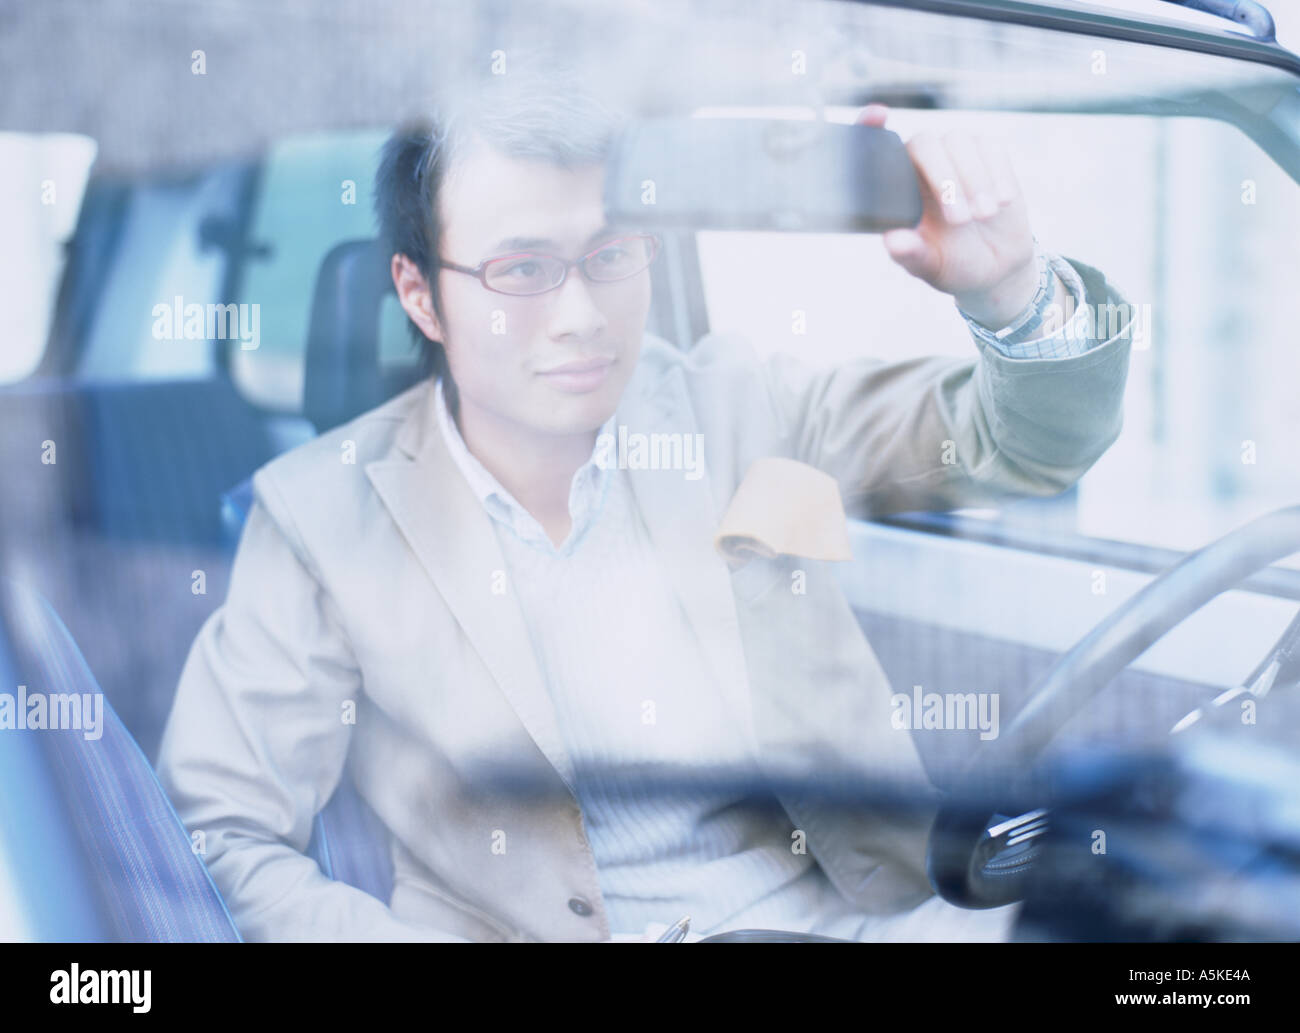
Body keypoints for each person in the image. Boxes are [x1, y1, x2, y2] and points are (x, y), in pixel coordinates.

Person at [156, 70, 1134, 942]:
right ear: (419, 295)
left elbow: (1027, 445)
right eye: (523, 270)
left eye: (611, 255)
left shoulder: (738, 404)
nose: (580, 315)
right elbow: (222, 830)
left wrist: (1011, 289)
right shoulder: (320, 517)